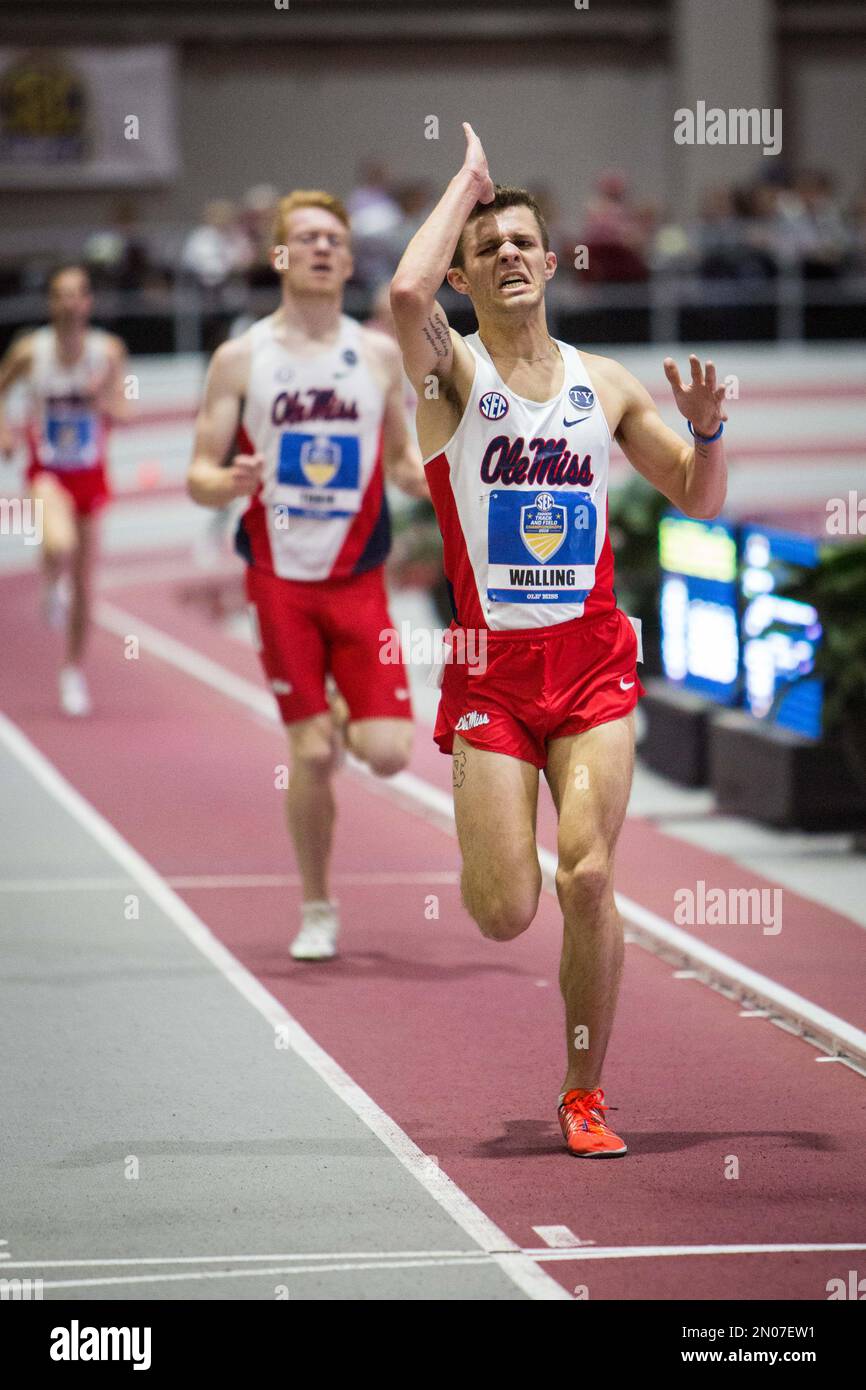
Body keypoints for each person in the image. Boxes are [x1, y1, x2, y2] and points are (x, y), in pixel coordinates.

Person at [390, 125, 728, 1157]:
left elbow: (697, 502)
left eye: (522, 243)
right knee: (502, 911)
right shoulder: (449, 378)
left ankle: (582, 1093)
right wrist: (470, 185)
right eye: (486, 247)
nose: (507, 257)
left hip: (589, 665)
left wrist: (707, 433)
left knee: (586, 875)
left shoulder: (607, 384)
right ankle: (498, 856)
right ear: (467, 270)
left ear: (549, 260)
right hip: (490, 673)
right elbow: (405, 298)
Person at [187, 189, 427, 961]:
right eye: (306, 238)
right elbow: (198, 472)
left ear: (350, 261)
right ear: (281, 256)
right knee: (315, 754)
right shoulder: (241, 357)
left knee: (389, 753)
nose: (322, 248)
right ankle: (318, 906)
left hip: (359, 577)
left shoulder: (381, 354)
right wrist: (226, 483)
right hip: (279, 578)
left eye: (334, 239)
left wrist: (438, 479)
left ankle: (334, 704)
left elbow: (399, 460)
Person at [0, 264, 130, 716]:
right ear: (51, 302)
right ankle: (51, 577)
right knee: (59, 542)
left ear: (88, 302)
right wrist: (5, 432)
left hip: (90, 474)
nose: (69, 303)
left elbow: (126, 410)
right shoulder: (29, 351)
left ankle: (72, 670)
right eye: (60, 294)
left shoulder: (108, 352)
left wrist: (102, 401)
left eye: (78, 294)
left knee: (86, 583)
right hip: (46, 470)